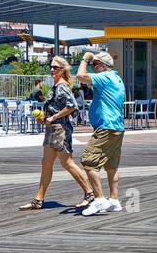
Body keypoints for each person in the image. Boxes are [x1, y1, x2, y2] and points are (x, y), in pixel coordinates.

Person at [17, 57, 93, 211]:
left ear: (62, 70)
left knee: (67, 163)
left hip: (60, 128)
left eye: (56, 68)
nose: (52, 70)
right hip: (52, 128)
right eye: (51, 67)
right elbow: (54, 107)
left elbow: (72, 106)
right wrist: (44, 118)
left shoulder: (62, 87)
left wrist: (53, 117)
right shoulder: (55, 86)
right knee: (46, 164)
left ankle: (90, 193)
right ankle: (38, 200)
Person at [76, 50, 126, 216]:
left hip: (106, 127)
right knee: (111, 165)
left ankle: (99, 199)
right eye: (92, 64)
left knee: (89, 161)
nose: (92, 66)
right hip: (116, 128)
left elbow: (80, 76)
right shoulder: (116, 78)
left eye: (94, 64)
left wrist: (85, 58)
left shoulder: (105, 77)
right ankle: (114, 200)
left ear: (104, 66)